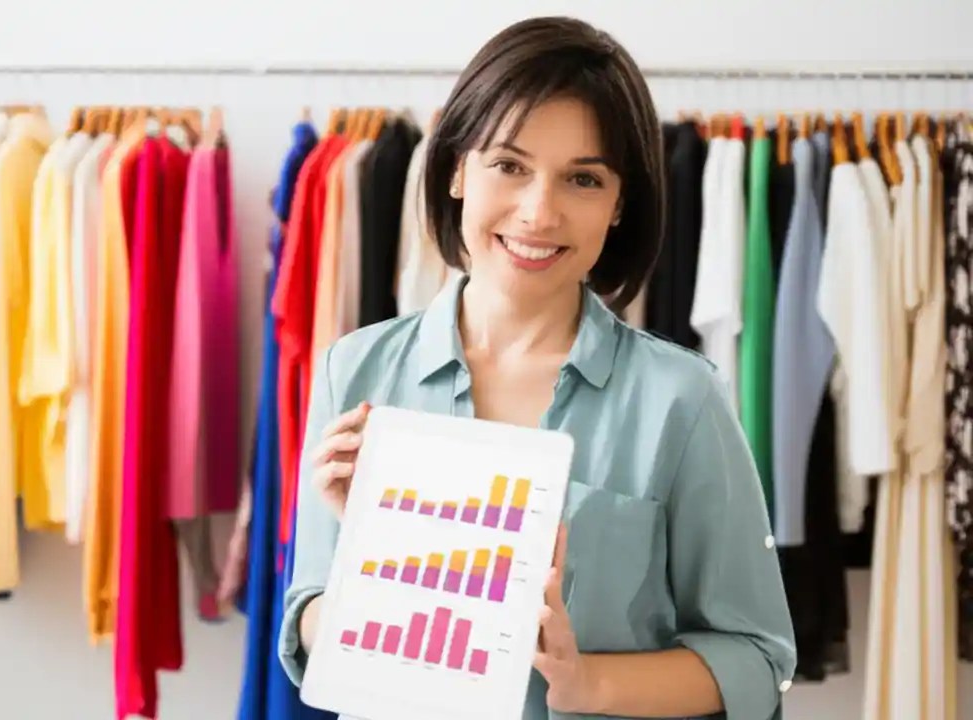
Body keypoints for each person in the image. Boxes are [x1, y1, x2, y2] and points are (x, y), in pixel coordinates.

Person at [276, 15, 797, 720]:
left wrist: (587, 683)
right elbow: (309, 617)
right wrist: (379, 550)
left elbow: (757, 659)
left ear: (618, 206)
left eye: (583, 179)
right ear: (457, 167)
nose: (538, 212)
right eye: (509, 165)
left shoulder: (682, 399)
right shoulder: (355, 369)